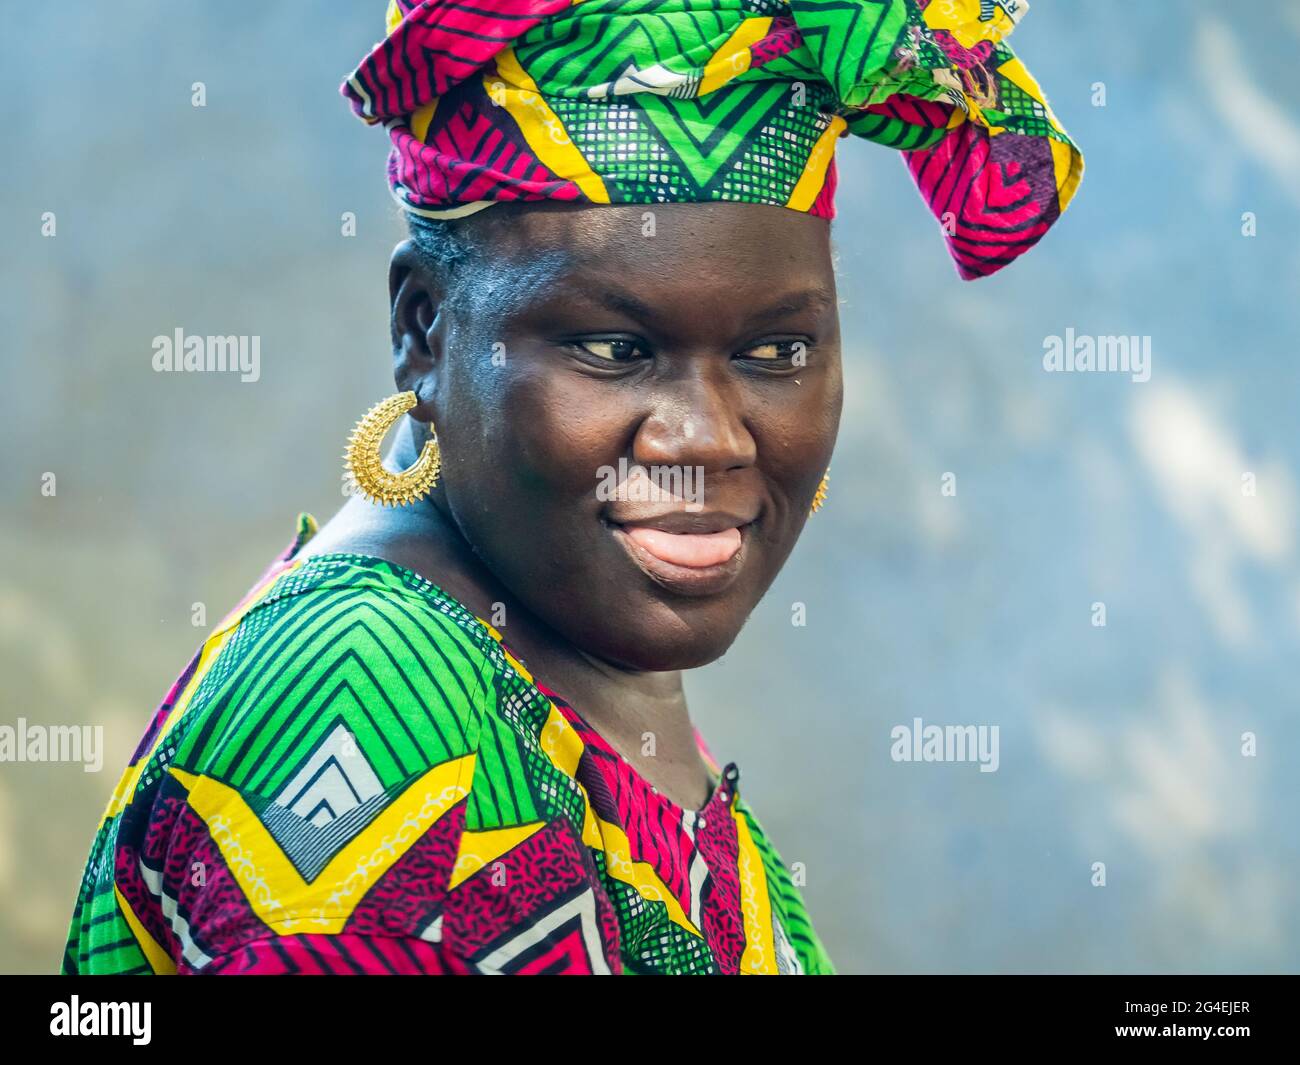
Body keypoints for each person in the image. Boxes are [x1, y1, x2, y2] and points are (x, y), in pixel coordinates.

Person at [63, 0, 1080, 975]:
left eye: (776, 350)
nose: (710, 437)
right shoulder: (370, 698)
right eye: (612, 347)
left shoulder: (581, 685)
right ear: (422, 330)